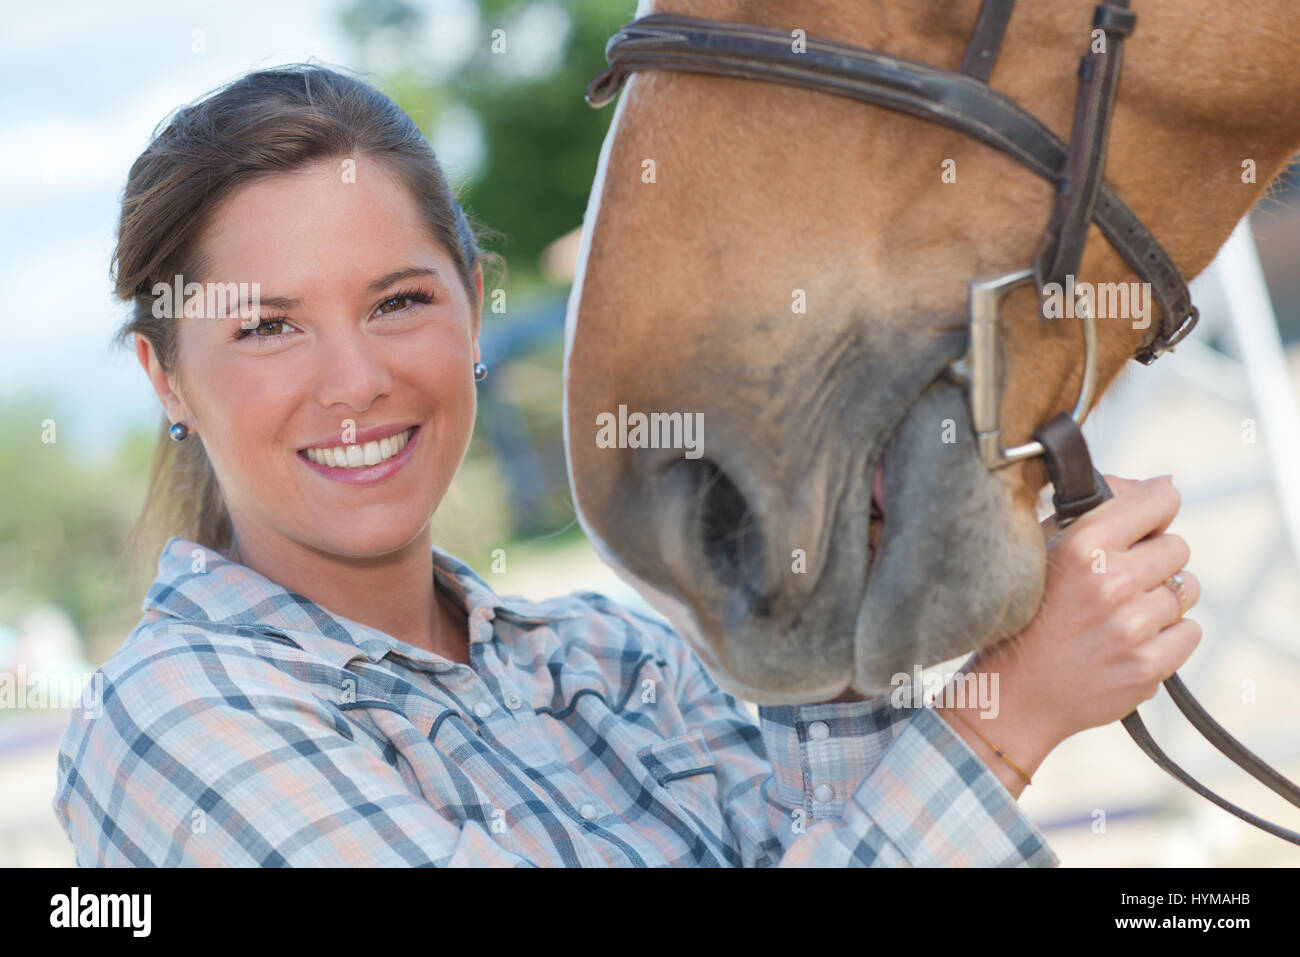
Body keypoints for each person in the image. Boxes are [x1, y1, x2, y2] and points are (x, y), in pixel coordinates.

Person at [52, 63, 1200, 867]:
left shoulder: (614, 657)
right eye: (267, 326)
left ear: (470, 309)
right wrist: (1007, 720)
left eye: (399, 301)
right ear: (166, 378)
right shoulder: (174, 719)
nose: (354, 381)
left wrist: (854, 566)